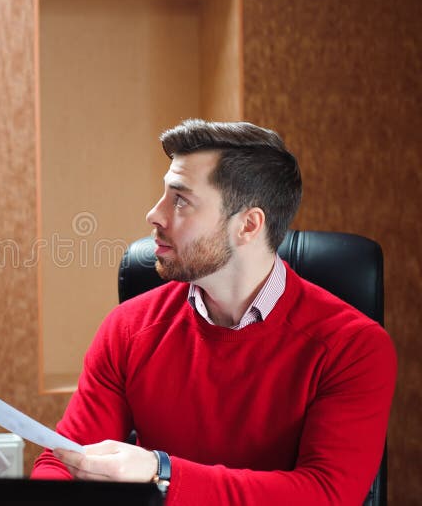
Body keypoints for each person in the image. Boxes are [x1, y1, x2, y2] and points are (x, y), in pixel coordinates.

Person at [31, 119, 396, 505]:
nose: (154, 215)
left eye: (181, 200)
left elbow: (326, 495)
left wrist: (163, 473)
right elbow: (61, 461)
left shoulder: (354, 348)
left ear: (248, 225)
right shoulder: (127, 329)